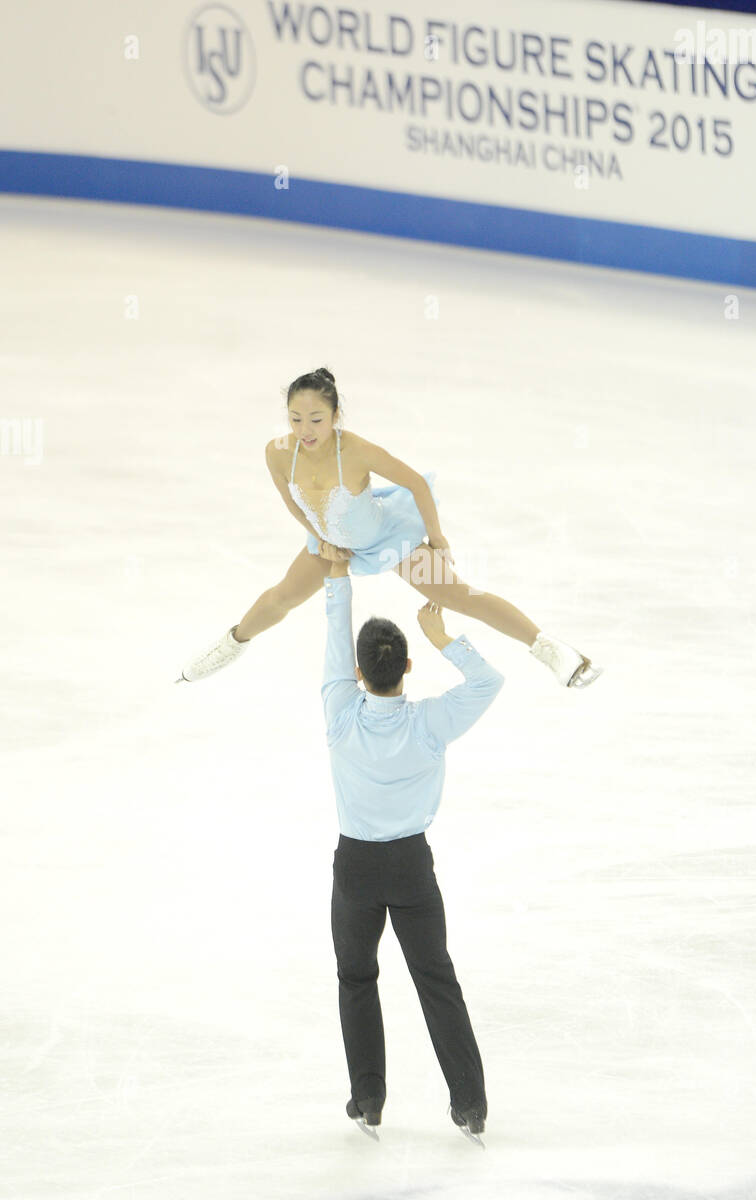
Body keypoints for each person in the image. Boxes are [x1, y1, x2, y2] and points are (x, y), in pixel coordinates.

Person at [176, 366, 602, 690]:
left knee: (459, 596)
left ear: (336, 415)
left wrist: (437, 540)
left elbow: (415, 483)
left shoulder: (356, 451)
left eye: (317, 419)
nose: (305, 430)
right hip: (330, 544)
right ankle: (231, 645)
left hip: (385, 540)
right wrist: (323, 540)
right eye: (295, 419)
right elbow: (292, 503)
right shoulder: (277, 452)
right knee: (281, 597)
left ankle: (551, 650)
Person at [321, 544, 503, 1141]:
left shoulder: (340, 711)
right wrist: (442, 634)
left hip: (355, 867)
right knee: (435, 978)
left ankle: (368, 1098)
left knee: (356, 977)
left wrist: (338, 572)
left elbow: (334, 635)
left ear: (358, 671)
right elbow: (489, 681)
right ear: (405, 669)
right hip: (410, 867)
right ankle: (470, 1104)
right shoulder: (431, 722)